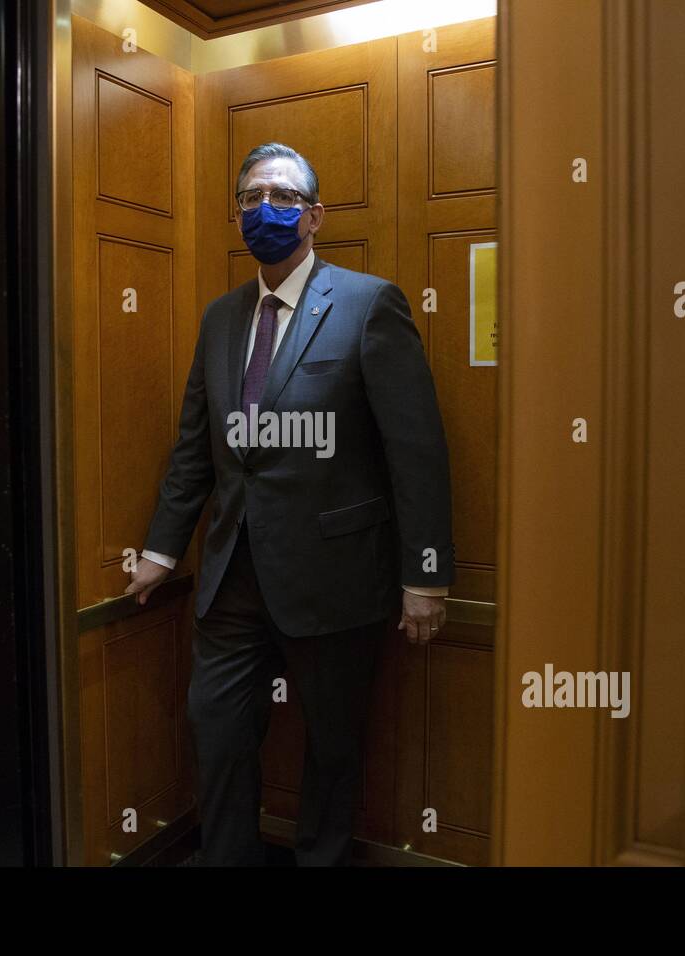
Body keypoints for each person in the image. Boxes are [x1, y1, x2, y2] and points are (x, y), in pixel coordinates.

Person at [125, 142, 454, 866]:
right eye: (250, 197)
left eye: (281, 197)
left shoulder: (370, 304)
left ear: (315, 216)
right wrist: (159, 552)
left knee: (333, 753)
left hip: (335, 579)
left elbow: (417, 451)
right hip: (230, 574)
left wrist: (425, 574)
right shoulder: (220, 318)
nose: (264, 209)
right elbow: (194, 450)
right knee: (218, 735)